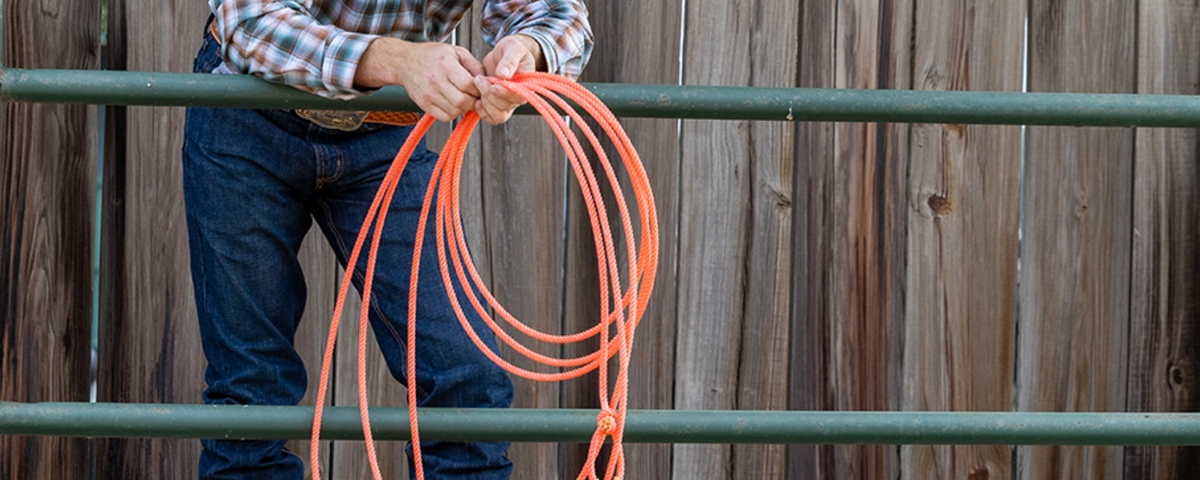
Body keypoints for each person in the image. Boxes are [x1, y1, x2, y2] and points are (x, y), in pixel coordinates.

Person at [181, 1, 593, 478]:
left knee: (467, 380)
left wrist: (526, 50)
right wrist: (399, 61)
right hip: (247, 113)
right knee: (250, 385)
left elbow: (557, 14)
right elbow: (250, 20)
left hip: (384, 131)